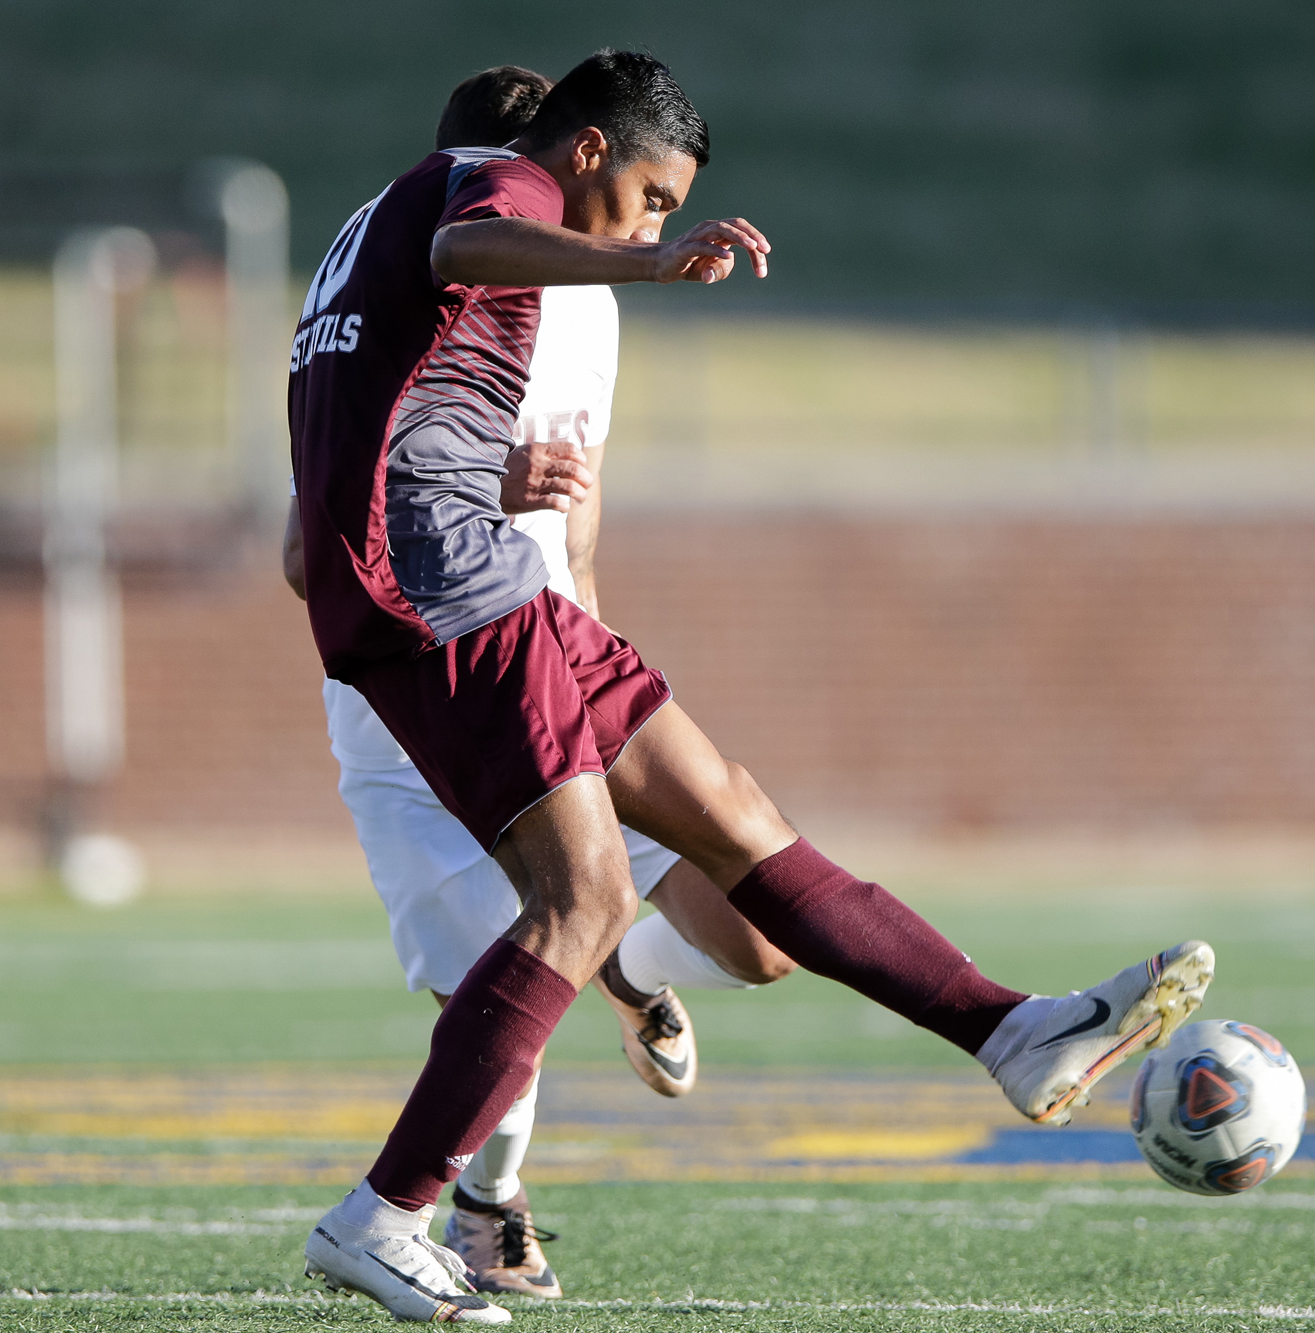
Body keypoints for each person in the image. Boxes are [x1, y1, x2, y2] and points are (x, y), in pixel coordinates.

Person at [290, 50, 1216, 1323]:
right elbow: (469, 245)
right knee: (583, 900)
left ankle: (1014, 1032)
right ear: (585, 151)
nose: (650, 225)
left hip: (491, 577)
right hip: (441, 581)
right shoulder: (497, 184)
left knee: (730, 813)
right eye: (650, 198)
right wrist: (645, 264)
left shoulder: (387, 220)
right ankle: (387, 1214)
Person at [280, 64, 796, 1301]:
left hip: (547, 670)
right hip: (420, 693)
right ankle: (480, 1206)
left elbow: (582, 522)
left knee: (760, 936)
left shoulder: (589, 296)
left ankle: (634, 971)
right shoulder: (406, 271)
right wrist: (467, 489)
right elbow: (309, 550)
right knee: (511, 988)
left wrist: (607, 682)